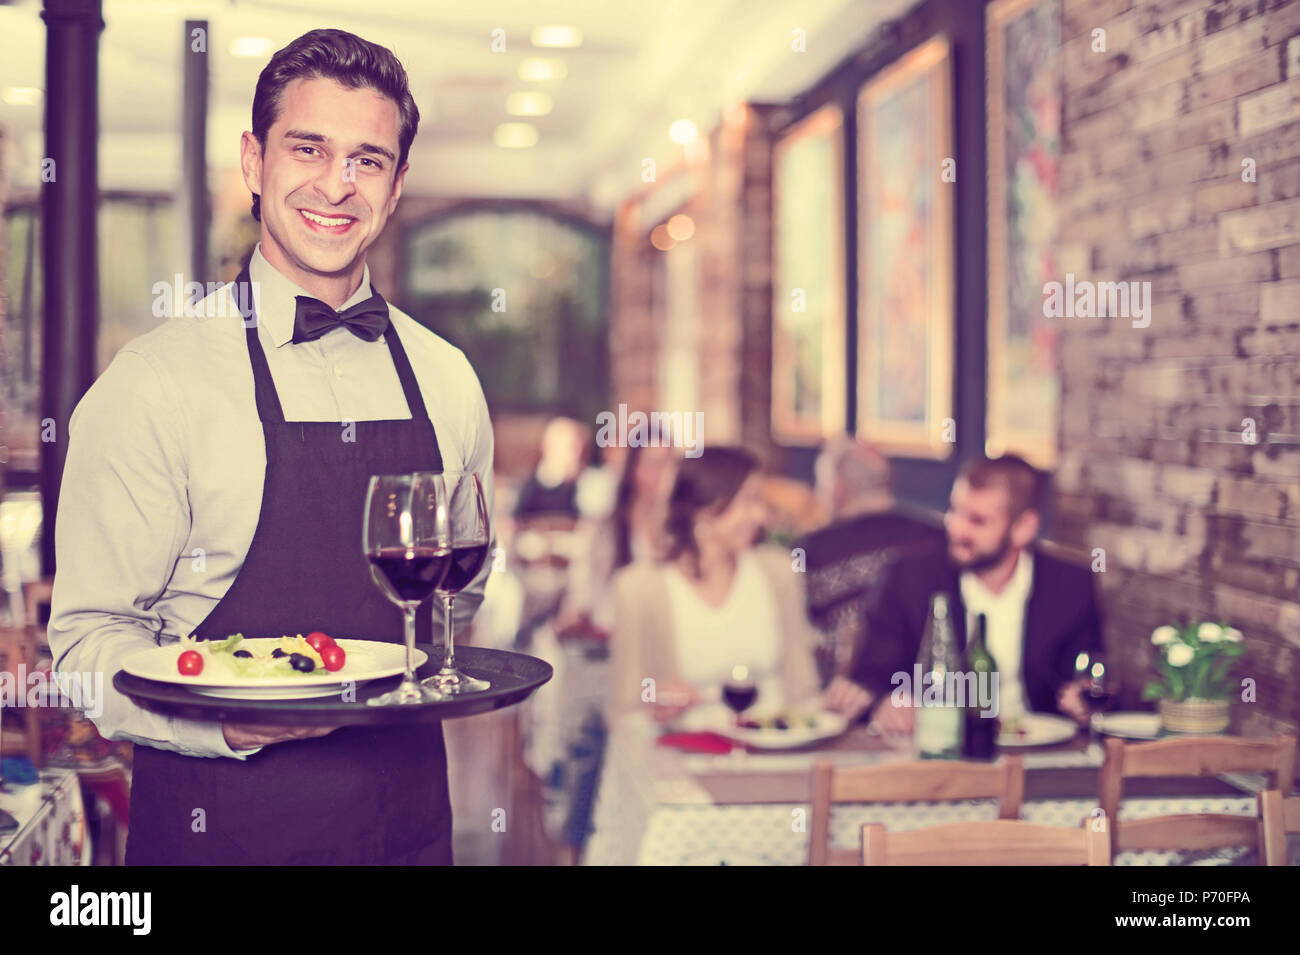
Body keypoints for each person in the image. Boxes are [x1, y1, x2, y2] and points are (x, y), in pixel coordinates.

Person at [47, 29, 494, 865]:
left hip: (411, 832)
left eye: (368, 159)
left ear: (396, 186)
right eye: (308, 148)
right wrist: (219, 717)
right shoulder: (153, 383)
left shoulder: (448, 377)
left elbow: (455, 596)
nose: (337, 184)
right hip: (220, 832)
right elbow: (80, 651)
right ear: (254, 162)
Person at [824, 454, 1102, 730]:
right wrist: (884, 701)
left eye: (977, 521)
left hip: (1038, 751)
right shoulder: (907, 577)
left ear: (1023, 528)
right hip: (939, 749)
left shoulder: (1071, 585)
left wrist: (1080, 699)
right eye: (955, 511)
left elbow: (1085, 675)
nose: (956, 529)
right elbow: (871, 676)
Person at [606, 446, 822, 724]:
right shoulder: (638, 588)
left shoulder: (778, 571)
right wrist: (656, 700)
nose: (760, 516)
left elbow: (804, 685)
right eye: (747, 501)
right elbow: (627, 704)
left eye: (761, 502)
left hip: (775, 749)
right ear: (704, 507)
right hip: (687, 755)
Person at [795, 437, 945, 682]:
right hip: (926, 688)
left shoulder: (811, 550)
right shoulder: (936, 538)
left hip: (843, 694)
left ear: (838, 490)